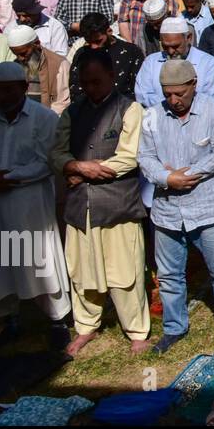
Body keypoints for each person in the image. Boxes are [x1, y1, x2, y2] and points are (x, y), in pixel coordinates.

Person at [50, 50, 149, 356]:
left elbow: (130, 156)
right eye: (85, 83)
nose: (90, 88)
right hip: (81, 206)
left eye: (96, 81)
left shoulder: (129, 109)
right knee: (81, 270)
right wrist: (77, 168)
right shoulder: (72, 112)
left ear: (111, 77)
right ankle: (85, 327)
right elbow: (56, 153)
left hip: (118, 204)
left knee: (125, 271)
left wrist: (89, 172)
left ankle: (136, 331)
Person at [0, 62, 72, 349]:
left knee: (41, 261)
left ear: (25, 88)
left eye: (8, 90)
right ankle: (8, 319)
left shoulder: (43, 118)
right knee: (0, 261)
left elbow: (46, 162)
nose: (2, 97)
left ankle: (57, 320)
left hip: (29, 203)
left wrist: (9, 178)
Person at [138, 58, 214, 356]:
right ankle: (174, 327)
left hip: (207, 207)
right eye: (168, 94)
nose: (173, 100)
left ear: (194, 85)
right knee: (168, 276)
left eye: (179, 94)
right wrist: (167, 178)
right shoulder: (153, 116)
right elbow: (145, 158)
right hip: (167, 210)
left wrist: (185, 176)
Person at [133, 17, 214, 107]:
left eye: (175, 46)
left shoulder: (208, 63)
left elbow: (210, 101)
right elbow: (143, 96)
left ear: (189, 38)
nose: (171, 51)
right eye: (165, 46)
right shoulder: (150, 63)